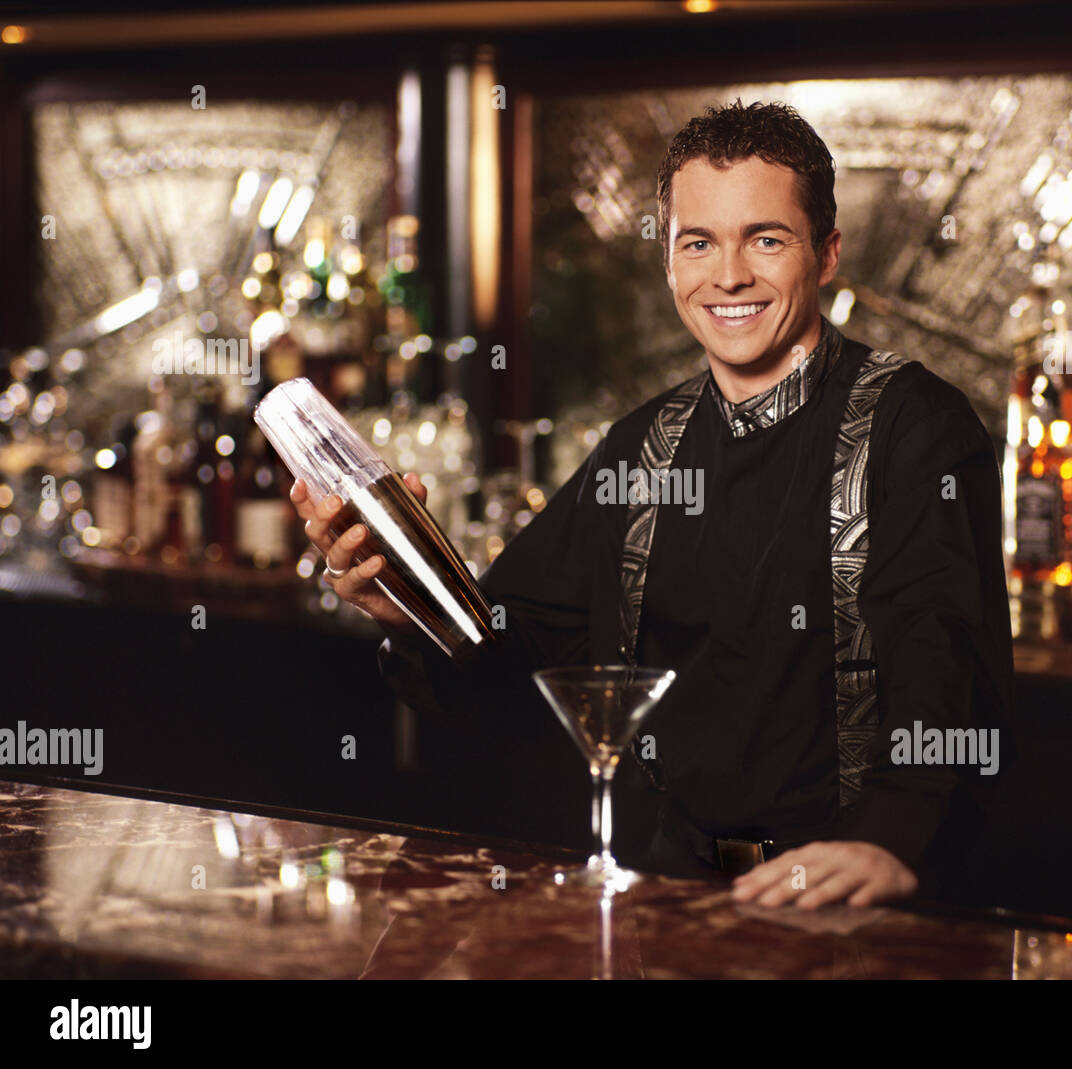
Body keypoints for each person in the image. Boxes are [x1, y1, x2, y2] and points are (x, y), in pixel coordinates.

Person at [292, 100, 1014, 911]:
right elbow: (511, 657)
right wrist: (406, 597)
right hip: (674, 891)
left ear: (828, 254)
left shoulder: (916, 429)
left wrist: (889, 839)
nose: (729, 275)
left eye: (766, 240)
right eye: (697, 242)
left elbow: (947, 666)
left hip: (852, 902)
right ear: (668, 263)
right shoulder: (641, 451)